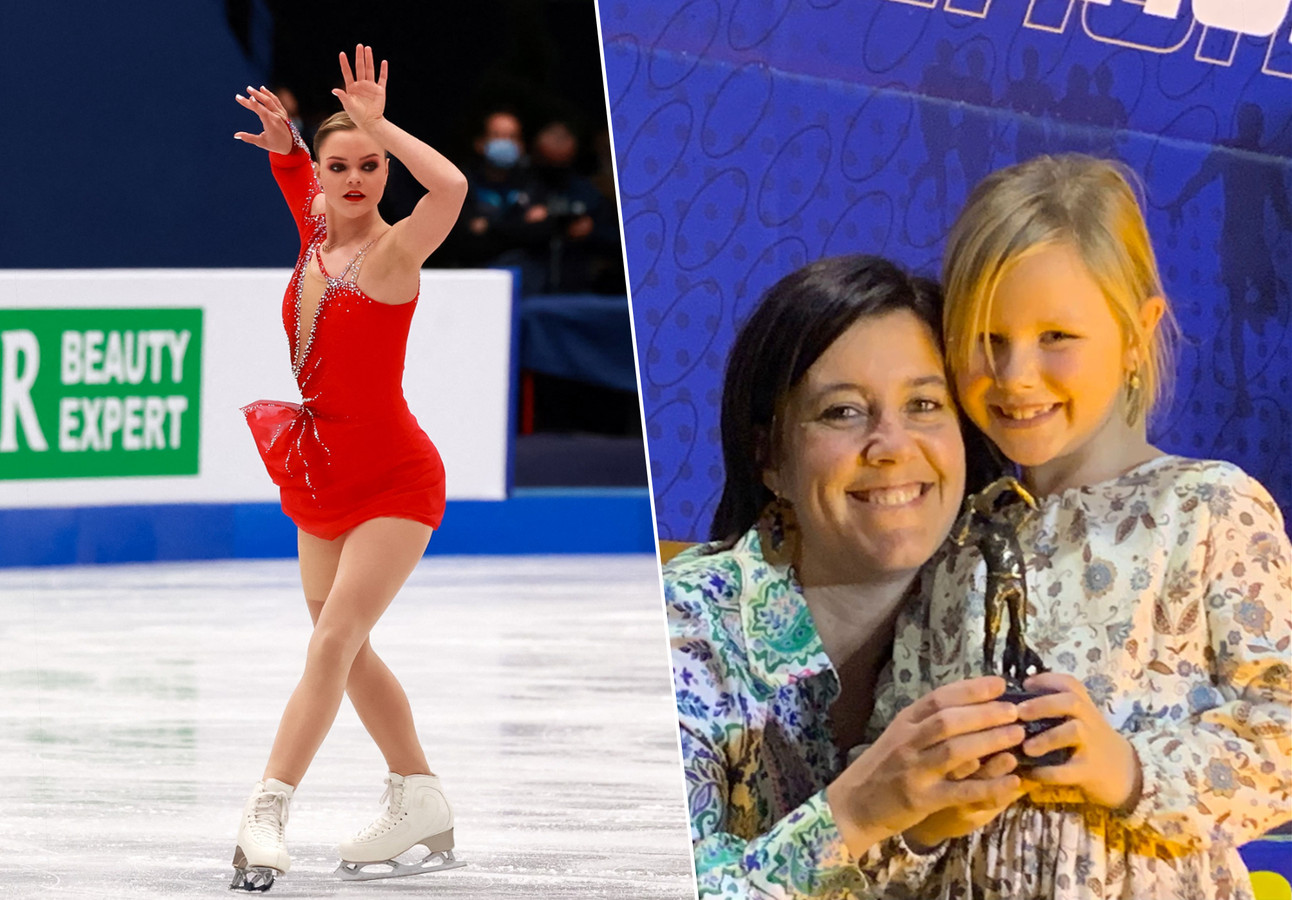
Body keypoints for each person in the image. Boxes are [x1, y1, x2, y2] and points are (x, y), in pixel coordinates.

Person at [875, 154, 1292, 898]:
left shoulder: (1208, 509)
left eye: (1056, 336)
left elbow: (1281, 733)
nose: (1015, 375)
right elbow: (888, 755)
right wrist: (928, 810)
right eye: (985, 338)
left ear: (1138, 332)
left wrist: (1127, 768)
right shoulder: (954, 539)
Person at [665, 254, 1034, 898]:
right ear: (769, 457)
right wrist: (860, 812)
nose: (891, 444)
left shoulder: (1006, 613)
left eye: (924, 403)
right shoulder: (681, 635)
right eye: (842, 412)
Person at [229, 45, 468, 890]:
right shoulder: (316, 225)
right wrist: (291, 146)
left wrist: (381, 126)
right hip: (321, 472)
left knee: (332, 641)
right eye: (342, 166)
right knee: (345, 644)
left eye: (368, 165)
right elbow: (296, 173)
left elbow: (452, 190)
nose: (356, 177)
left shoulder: (396, 255)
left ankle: (266, 811)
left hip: (397, 480)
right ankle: (420, 795)